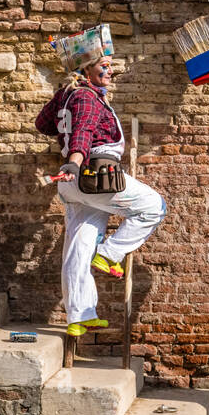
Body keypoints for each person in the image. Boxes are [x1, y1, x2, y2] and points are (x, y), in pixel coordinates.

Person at [35, 28, 167, 337]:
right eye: (103, 64)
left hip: (73, 183)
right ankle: (109, 255)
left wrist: (61, 107)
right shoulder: (86, 96)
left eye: (110, 64)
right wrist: (75, 160)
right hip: (94, 176)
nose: (110, 69)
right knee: (154, 207)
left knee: (79, 246)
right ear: (86, 69)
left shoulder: (70, 93)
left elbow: (43, 123)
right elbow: (82, 132)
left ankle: (79, 316)